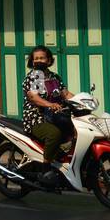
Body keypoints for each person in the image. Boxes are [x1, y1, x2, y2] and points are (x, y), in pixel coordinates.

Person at [21, 45, 76, 186]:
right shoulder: (34, 77)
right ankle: (45, 169)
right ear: (32, 61)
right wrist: (49, 104)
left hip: (55, 115)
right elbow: (34, 97)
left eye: (42, 58)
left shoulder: (54, 77)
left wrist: (81, 101)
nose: (39, 60)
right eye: (36, 58)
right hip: (36, 118)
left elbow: (65, 94)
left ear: (49, 60)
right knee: (54, 134)